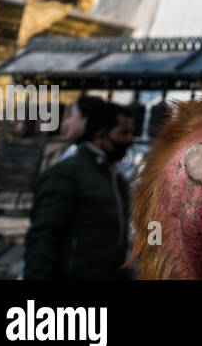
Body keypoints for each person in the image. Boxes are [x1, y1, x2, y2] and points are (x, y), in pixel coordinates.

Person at [23, 101, 134, 280]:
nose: (130, 140)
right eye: (123, 133)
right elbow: (43, 237)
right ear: (100, 134)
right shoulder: (67, 173)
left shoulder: (115, 179)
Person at [46, 94, 105, 165]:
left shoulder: (75, 159)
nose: (66, 122)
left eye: (71, 115)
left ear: (86, 120)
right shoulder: (100, 156)